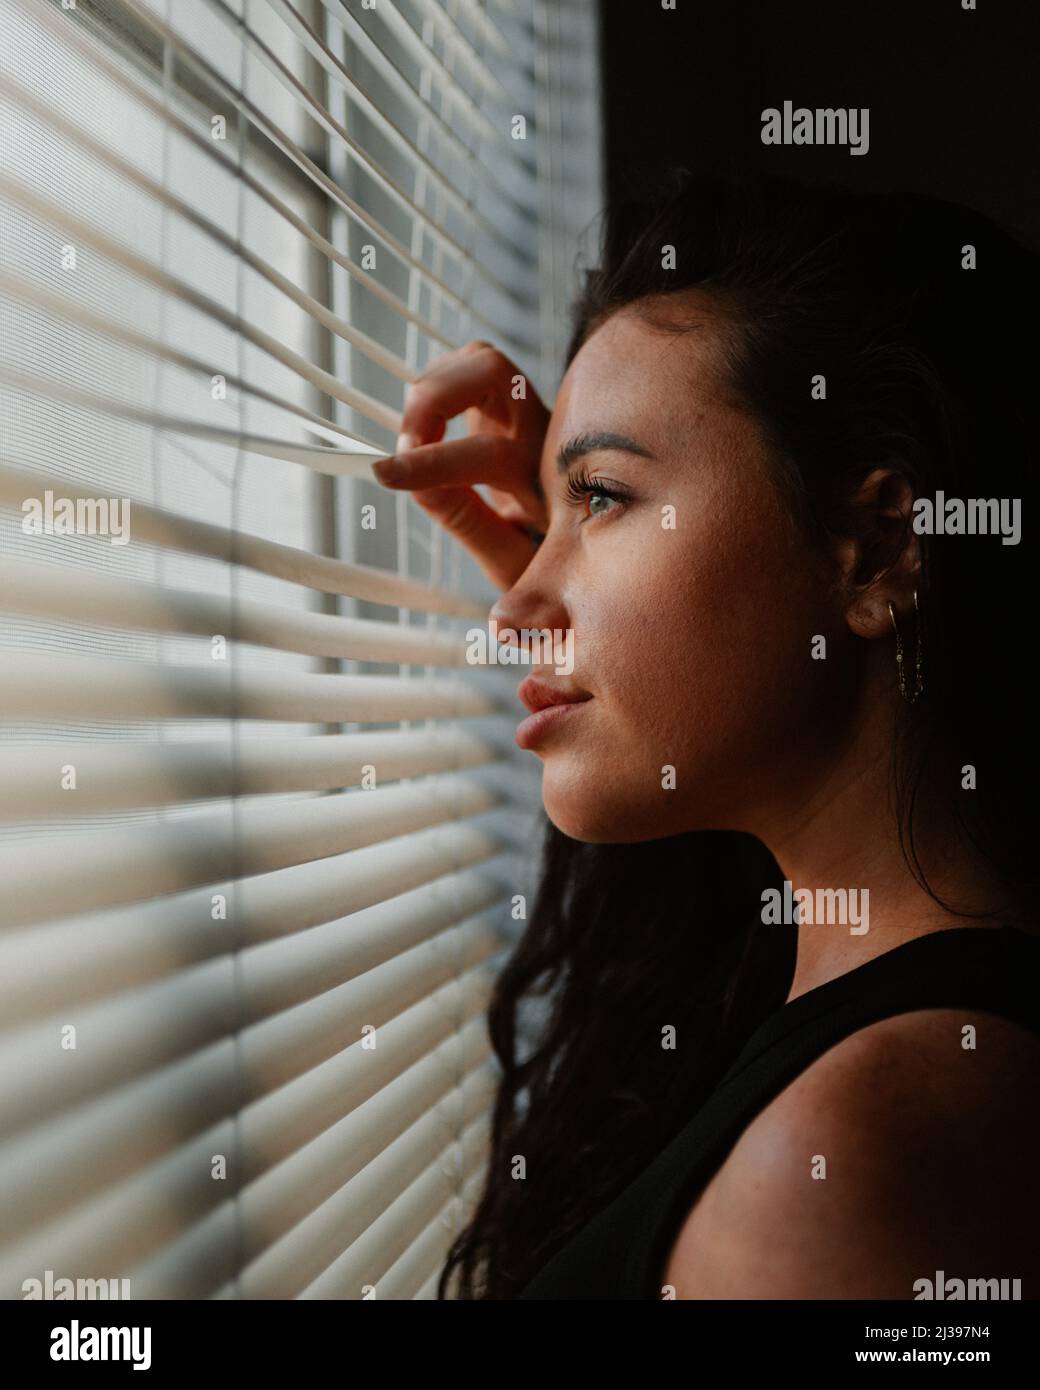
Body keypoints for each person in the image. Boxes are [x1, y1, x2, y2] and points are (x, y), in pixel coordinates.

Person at [371, 170, 1040, 1300]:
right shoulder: (813, 988)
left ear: (879, 549)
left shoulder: (846, 1159)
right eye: (555, 514)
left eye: (603, 495)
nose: (513, 608)